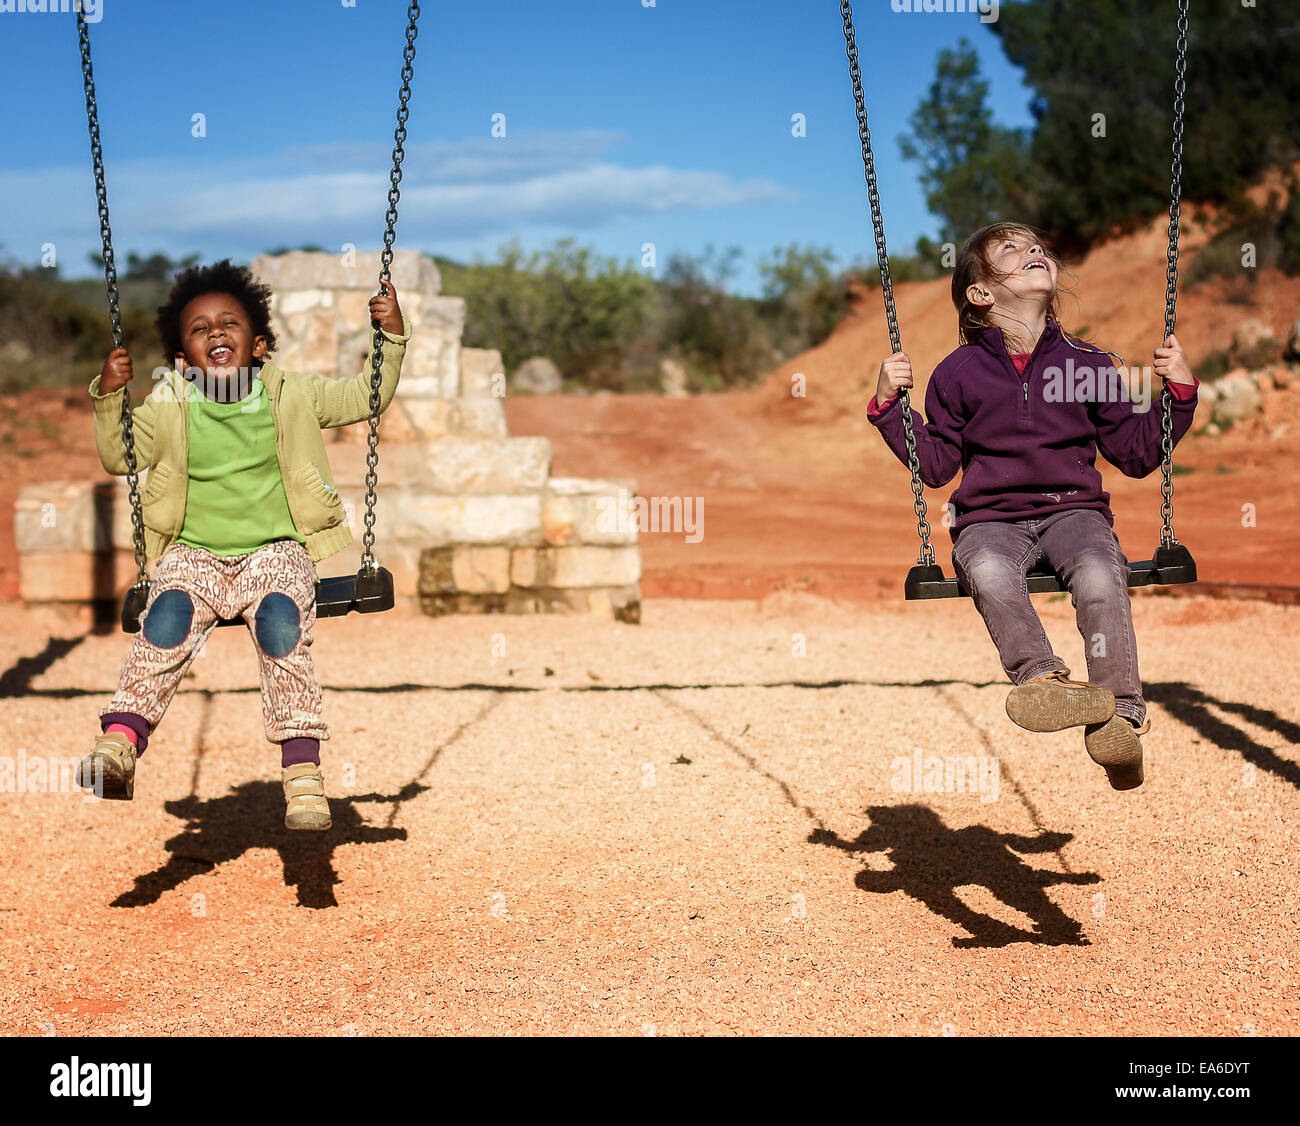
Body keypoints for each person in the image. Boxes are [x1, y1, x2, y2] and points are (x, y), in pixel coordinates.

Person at [76, 260, 408, 828]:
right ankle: (120, 744)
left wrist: (391, 337)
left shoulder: (294, 394)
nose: (215, 334)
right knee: (166, 620)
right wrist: (110, 398)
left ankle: (302, 774)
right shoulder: (169, 405)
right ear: (181, 359)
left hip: (275, 551)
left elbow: (366, 397)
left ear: (258, 344)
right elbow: (120, 457)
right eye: (199, 330)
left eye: (228, 324)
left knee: (282, 626)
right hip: (193, 555)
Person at [869, 223, 1198, 790]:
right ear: (981, 294)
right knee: (988, 569)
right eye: (1011, 251)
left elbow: (1135, 453)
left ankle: (1119, 718)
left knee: (1099, 572)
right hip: (989, 518)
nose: (1034, 253)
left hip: (1075, 511)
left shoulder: (1089, 363)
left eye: (1038, 248)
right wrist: (888, 406)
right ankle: (1042, 680)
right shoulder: (956, 374)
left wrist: (1180, 396)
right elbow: (938, 464)